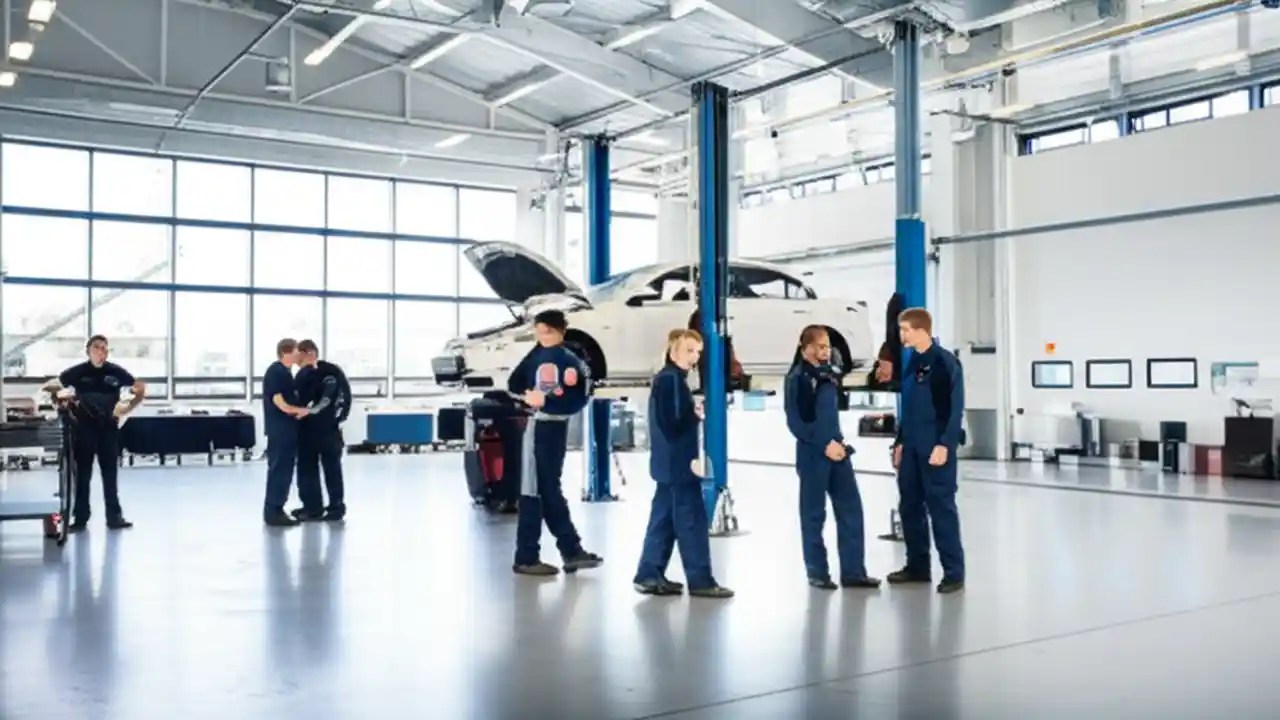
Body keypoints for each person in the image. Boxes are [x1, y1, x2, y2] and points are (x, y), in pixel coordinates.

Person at [633, 329, 734, 599]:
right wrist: (695, 416)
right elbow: (673, 423)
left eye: (697, 352)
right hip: (679, 466)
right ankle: (701, 580)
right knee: (692, 523)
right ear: (673, 350)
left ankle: (649, 574)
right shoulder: (673, 381)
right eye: (689, 350)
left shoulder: (666, 379)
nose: (694, 357)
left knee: (663, 521)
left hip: (666, 466)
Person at [507, 309, 604, 576]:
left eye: (547, 329)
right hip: (540, 426)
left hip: (552, 426)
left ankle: (554, 551)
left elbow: (581, 392)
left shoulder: (568, 359)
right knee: (540, 489)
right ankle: (555, 551)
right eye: (539, 329)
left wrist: (546, 400)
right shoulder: (536, 356)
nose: (543, 334)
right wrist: (531, 398)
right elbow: (514, 383)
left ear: (560, 330)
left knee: (542, 489)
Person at [784, 326, 881, 591]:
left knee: (851, 509)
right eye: (821, 346)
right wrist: (823, 444)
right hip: (814, 453)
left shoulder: (828, 375)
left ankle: (853, 572)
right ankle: (817, 572)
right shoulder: (799, 379)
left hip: (837, 451)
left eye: (827, 346)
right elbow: (796, 423)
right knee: (813, 514)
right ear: (806, 348)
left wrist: (836, 443)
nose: (826, 351)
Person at [889, 308, 966, 594]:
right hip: (911, 448)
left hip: (935, 448)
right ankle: (918, 566)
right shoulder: (913, 362)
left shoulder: (945, 363)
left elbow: (954, 408)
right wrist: (899, 443)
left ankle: (954, 572)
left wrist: (945, 444)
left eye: (905, 329)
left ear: (922, 329)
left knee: (941, 508)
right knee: (909, 506)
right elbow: (908, 409)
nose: (902, 335)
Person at [56, 335, 146, 531]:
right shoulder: (78, 372)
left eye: (105, 348)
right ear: (88, 350)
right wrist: (65, 402)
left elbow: (138, 386)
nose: (101, 351)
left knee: (110, 474)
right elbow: (55, 386)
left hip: (108, 429)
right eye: (97, 347)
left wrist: (127, 408)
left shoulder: (115, 372)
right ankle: (80, 518)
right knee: (83, 475)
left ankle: (114, 518)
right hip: (84, 429)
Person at [291, 339, 351, 522]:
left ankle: (312, 508)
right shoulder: (334, 371)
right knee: (332, 469)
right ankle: (336, 507)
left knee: (307, 469)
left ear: (309, 353)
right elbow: (345, 398)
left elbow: (298, 401)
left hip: (309, 430)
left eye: (298, 357)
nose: (296, 361)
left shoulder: (305, 375)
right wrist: (338, 420)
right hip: (330, 429)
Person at [262, 338, 308, 527]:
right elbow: (279, 402)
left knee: (285, 470)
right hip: (280, 430)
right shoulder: (276, 372)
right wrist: (299, 411)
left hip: (286, 431)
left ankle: (278, 508)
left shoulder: (286, 373)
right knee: (279, 471)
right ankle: (273, 511)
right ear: (287, 352)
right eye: (297, 351)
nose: (300, 355)